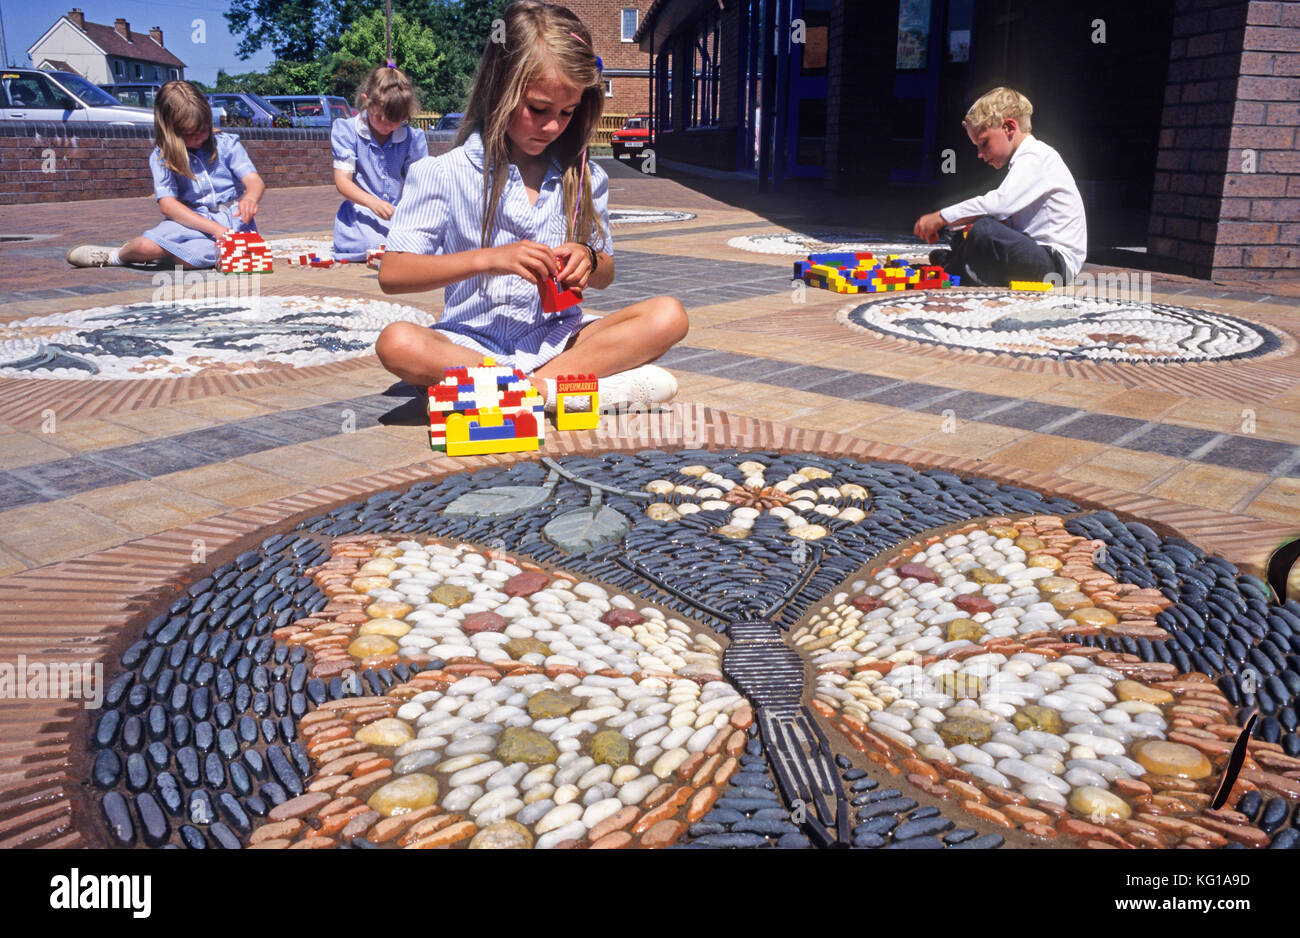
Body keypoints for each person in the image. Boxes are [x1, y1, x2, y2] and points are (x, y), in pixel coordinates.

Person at [375, 0, 687, 413]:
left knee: (669, 315)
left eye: (567, 112)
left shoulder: (583, 174)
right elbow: (394, 273)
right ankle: (565, 390)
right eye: (538, 109)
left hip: (561, 340)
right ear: (498, 88)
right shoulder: (443, 173)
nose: (554, 125)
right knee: (397, 342)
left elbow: (606, 271)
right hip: (471, 344)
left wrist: (589, 260)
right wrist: (490, 259)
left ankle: (517, 391)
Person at [66, 81, 264, 269]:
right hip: (190, 221)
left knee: (194, 258)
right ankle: (118, 255)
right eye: (189, 134)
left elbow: (254, 181)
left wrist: (250, 198)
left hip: (232, 223)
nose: (200, 137)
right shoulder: (163, 157)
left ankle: (166, 252)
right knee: (146, 247)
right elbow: (168, 205)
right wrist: (215, 230)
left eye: (203, 130)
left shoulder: (227, 144)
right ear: (171, 131)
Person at [913, 87, 1086, 287]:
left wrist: (941, 216)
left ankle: (960, 266)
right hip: (1035, 252)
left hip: (1054, 264)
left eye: (984, 143)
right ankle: (966, 262)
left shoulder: (1036, 156)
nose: (979, 153)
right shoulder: (1025, 159)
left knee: (984, 230)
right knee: (961, 230)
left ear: (1009, 128)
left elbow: (999, 205)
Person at [331, 64, 428, 262]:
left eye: (395, 121)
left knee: (428, 242)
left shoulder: (413, 138)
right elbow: (342, 182)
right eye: (379, 117)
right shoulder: (347, 131)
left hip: (400, 214)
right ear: (366, 102)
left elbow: (420, 183)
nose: (387, 125)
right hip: (362, 211)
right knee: (370, 244)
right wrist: (373, 203)